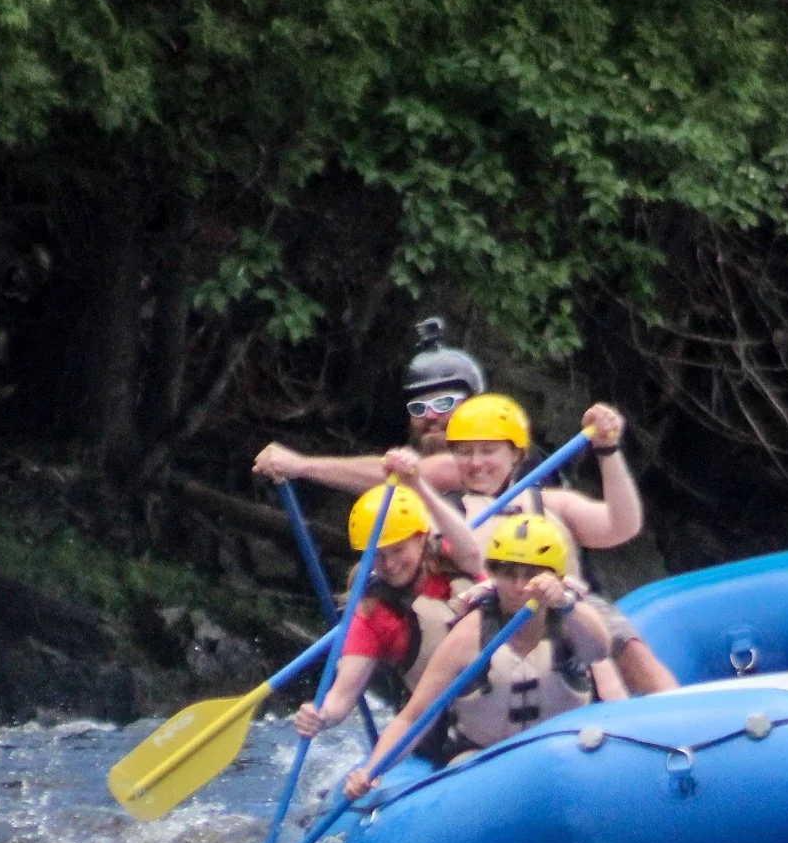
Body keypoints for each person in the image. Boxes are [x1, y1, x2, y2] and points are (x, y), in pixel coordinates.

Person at [344, 514, 611, 797]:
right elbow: (414, 717)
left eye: (531, 574)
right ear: (494, 574)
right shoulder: (470, 632)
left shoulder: (571, 617)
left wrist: (565, 604)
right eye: (508, 573)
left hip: (563, 753)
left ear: (555, 577)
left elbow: (599, 649)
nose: (519, 586)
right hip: (483, 762)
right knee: (462, 767)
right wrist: (371, 771)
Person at [437, 393, 676, 697]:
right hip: (492, 619)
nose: (476, 463)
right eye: (465, 452)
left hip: (564, 608)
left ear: (515, 455)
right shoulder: (444, 514)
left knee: (627, 643)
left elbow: (622, 526)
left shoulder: (550, 503)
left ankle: (678, 721)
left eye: (488, 451)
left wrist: (608, 451)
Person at [289, 468, 485, 738]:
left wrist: (417, 482)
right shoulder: (371, 613)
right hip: (441, 719)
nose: (390, 565)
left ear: (422, 537)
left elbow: (475, 556)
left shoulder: (456, 558)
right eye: (378, 556)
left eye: (398, 550)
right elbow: (343, 695)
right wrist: (319, 715)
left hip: (507, 690)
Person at [250, 316, 482, 495]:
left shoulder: (480, 463)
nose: (429, 415)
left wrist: (301, 465)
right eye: (418, 408)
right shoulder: (413, 477)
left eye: (443, 403)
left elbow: (413, 475)